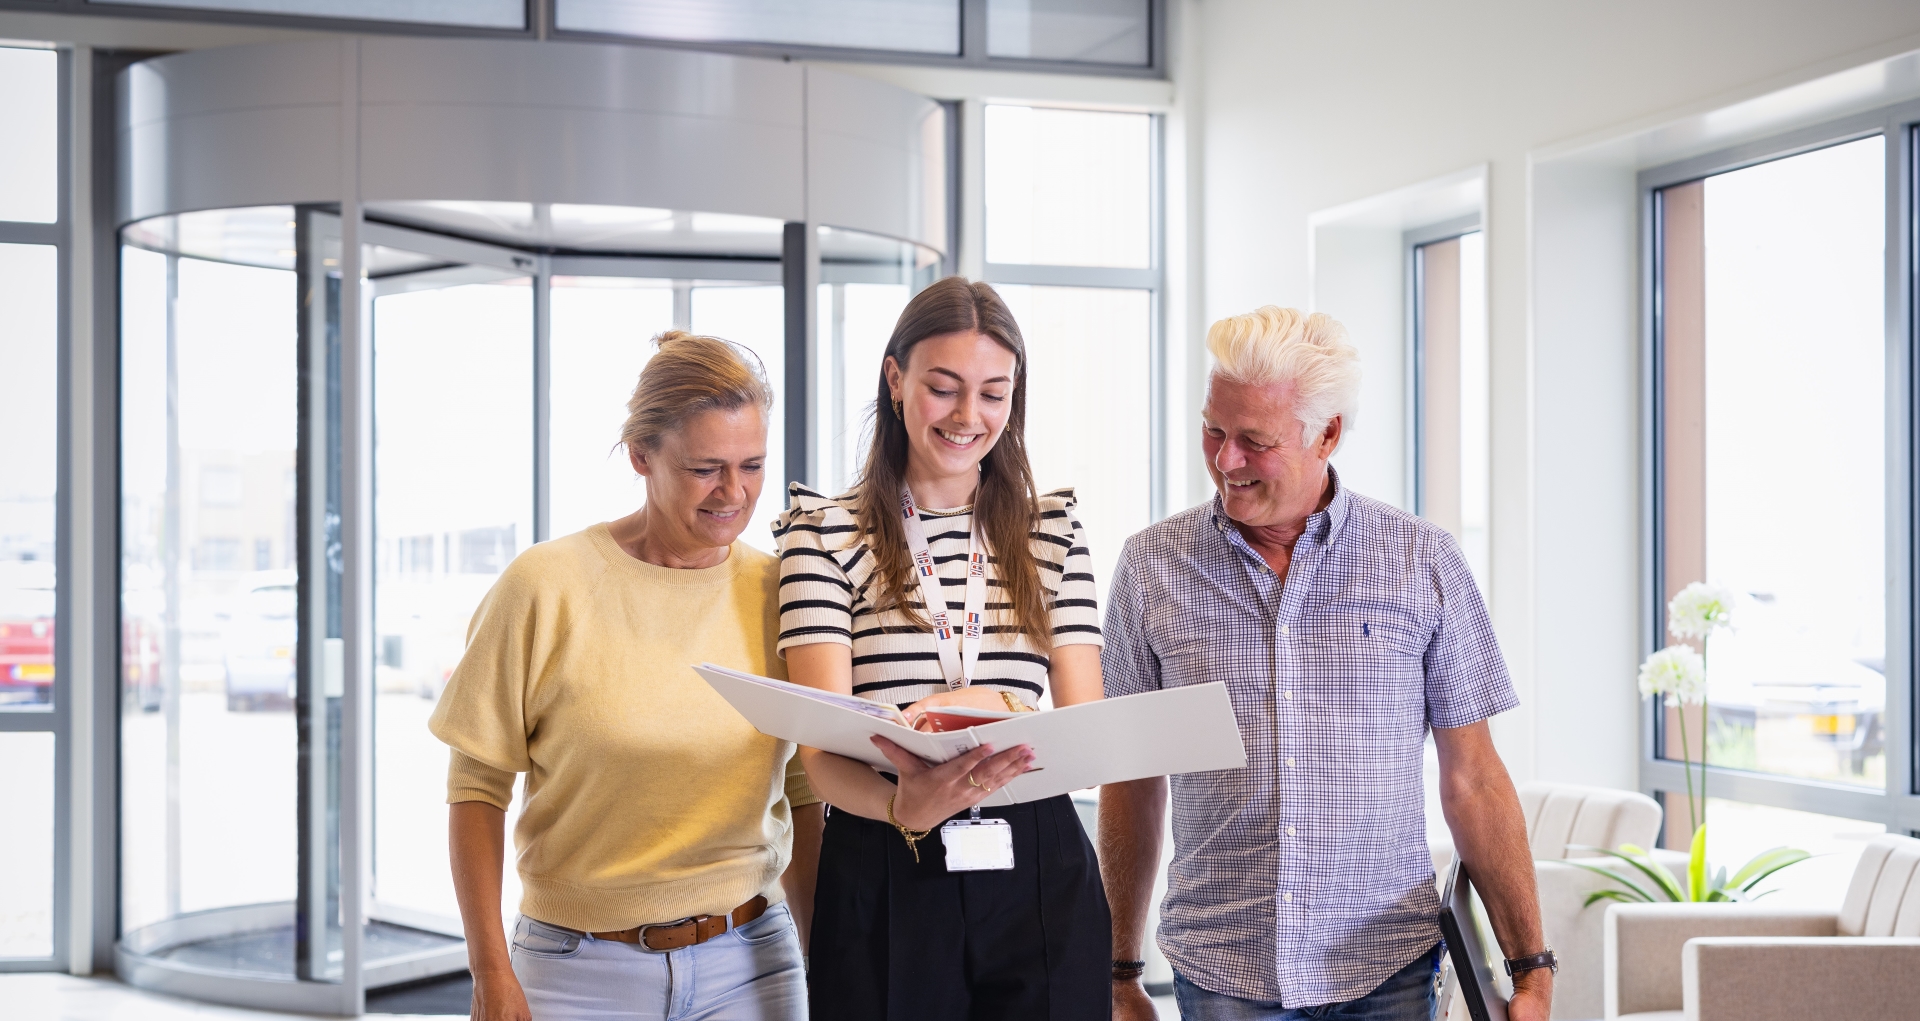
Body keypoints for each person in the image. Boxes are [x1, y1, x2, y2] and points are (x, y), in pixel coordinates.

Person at [1099, 306, 1552, 1021]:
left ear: (1329, 433)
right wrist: (1120, 970)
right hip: (1222, 967)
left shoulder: (1420, 561)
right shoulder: (1152, 566)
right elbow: (1131, 781)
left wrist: (1530, 965)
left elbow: (1473, 778)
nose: (1225, 459)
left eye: (1255, 440)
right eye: (1214, 429)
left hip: (1388, 968)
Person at [430, 331, 823, 1021]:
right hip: (573, 974)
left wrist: (829, 955)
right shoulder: (544, 587)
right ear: (643, 455)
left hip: (751, 964)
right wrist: (490, 970)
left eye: (752, 464)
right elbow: (476, 788)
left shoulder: (780, 591)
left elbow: (805, 789)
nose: (734, 492)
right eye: (706, 467)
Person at [775, 276, 1110, 1020]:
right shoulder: (822, 534)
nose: (969, 416)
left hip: (1040, 859)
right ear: (895, 379)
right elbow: (821, 756)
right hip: (887, 851)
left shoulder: (1051, 533)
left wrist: (976, 703)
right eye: (944, 387)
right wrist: (905, 804)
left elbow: (1086, 732)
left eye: (995, 392)